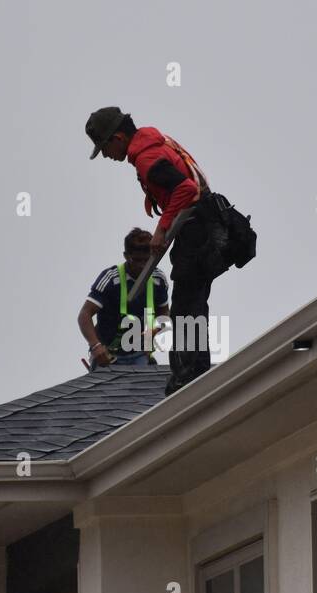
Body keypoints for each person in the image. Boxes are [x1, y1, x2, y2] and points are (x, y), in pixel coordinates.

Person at [87, 106, 249, 395]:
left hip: (197, 231)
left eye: (106, 147)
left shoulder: (147, 158)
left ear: (119, 137)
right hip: (204, 225)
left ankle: (188, 377)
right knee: (194, 303)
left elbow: (186, 190)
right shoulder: (153, 141)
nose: (108, 156)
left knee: (186, 306)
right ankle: (196, 369)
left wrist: (161, 229)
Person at [77, 227, 170, 369]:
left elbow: (164, 313)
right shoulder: (111, 279)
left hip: (139, 354)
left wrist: (155, 330)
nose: (143, 266)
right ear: (126, 256)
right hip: (108, 356)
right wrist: (96, 346)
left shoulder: (158, 279)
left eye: (147, 260)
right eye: (137, 260)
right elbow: (84, 315)